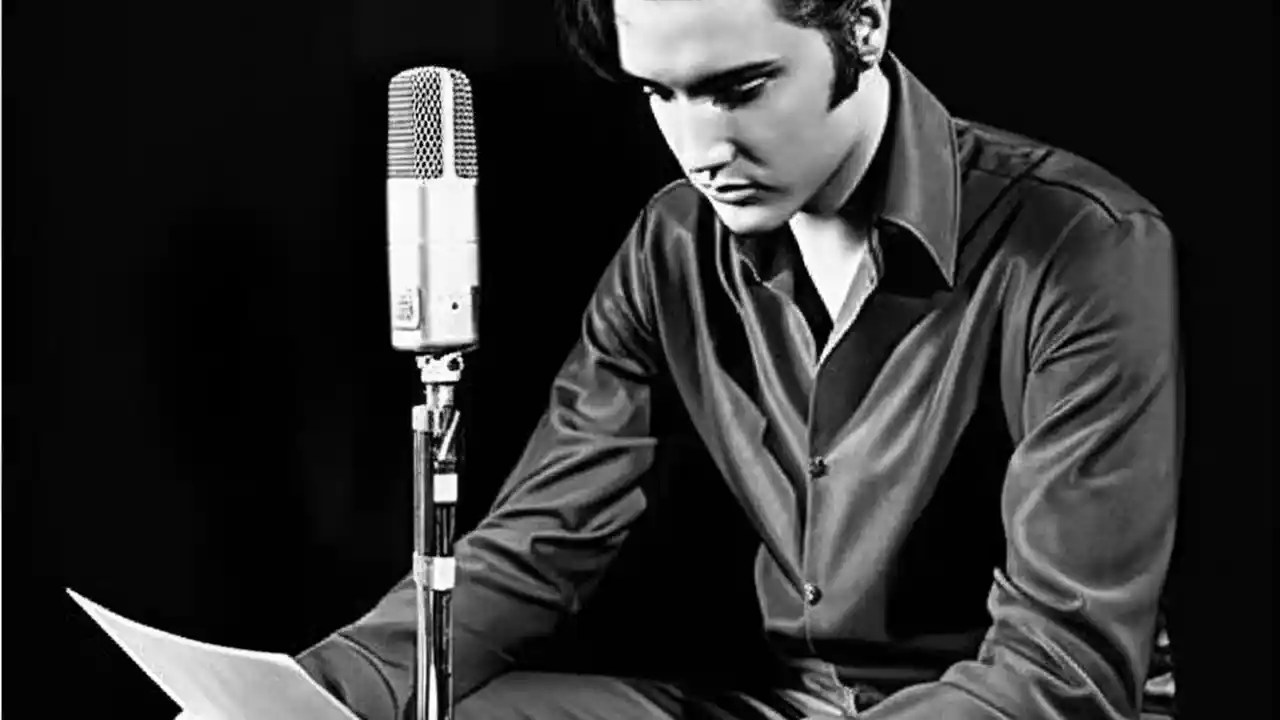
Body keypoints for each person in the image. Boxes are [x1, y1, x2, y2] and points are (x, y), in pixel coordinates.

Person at [284, 0, 1183, 717]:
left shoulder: (1084, 244)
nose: (699, 147)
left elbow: (1062, 667)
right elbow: (538, 542)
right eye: (659, 94)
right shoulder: (673, 245)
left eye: (741, 88)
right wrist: (303, 700)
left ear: (863, 26)